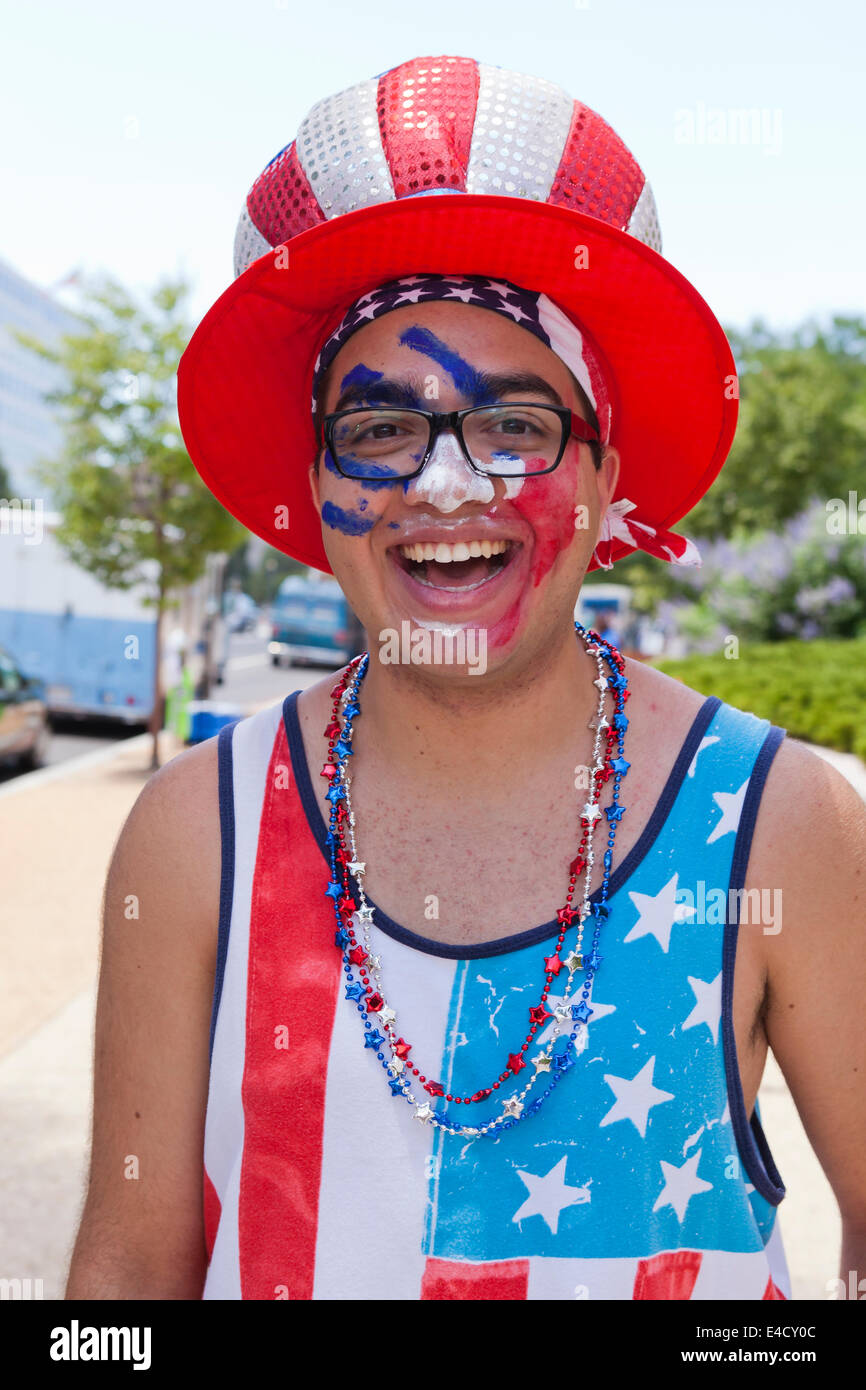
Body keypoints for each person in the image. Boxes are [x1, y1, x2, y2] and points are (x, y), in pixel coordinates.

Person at [67, 56, 866, 1302]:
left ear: (606, 480)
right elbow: (120, 1287)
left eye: (515, 426)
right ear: (319, 485)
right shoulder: (193, 832)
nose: (445, 487)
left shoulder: (778, 825)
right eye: (380, 427)